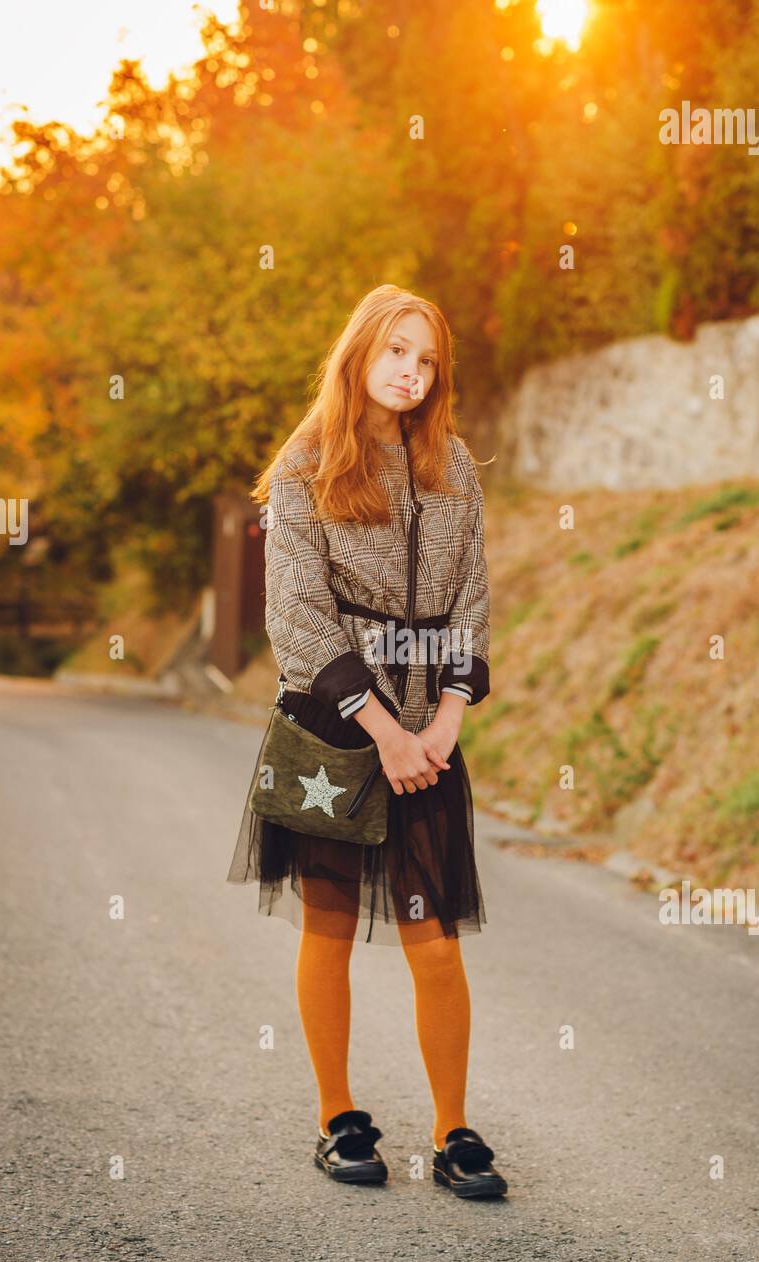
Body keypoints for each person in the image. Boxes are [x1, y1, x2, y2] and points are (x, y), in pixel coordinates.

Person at [227, 284, 508, 1197]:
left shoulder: (453, 466)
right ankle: (337, 1118)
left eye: (426, 360)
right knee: (331, 926)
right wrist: (383, 730)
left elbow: (472, 600)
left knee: (435, 940)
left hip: (429, 738)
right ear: (358, 354)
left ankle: (453, 1132)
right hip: (336, 734)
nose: (410, 373)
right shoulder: (305, 464)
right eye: (395, 352)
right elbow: (298, 619)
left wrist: (445, 722)